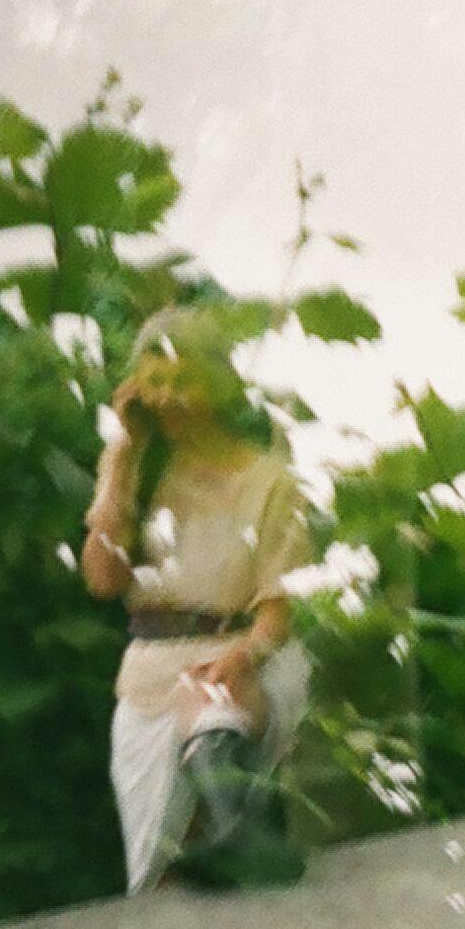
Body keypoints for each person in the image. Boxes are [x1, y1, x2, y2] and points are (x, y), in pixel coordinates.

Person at [79, 306, 316, 893]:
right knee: (156, 869)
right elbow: (103, 580)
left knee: (205, 702)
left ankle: (241, 830)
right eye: (155, 382)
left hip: (240, 662)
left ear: (220, 382)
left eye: (183, 381)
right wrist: (122, 460)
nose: (167, 399)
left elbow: (280, 608)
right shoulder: (140, 466)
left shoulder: (270, 481)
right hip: (148, 672)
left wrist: (243, 657)